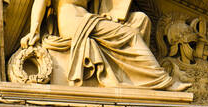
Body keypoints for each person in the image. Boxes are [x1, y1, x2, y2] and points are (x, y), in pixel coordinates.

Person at [20, 0, 187, 89]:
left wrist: (111, 15)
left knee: (140, 20)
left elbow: (104, 6)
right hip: (72, 23)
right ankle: (162, 81)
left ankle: (131, 79)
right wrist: (34, 31)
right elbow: (40, 2)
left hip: (90, 19)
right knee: (131, 35)